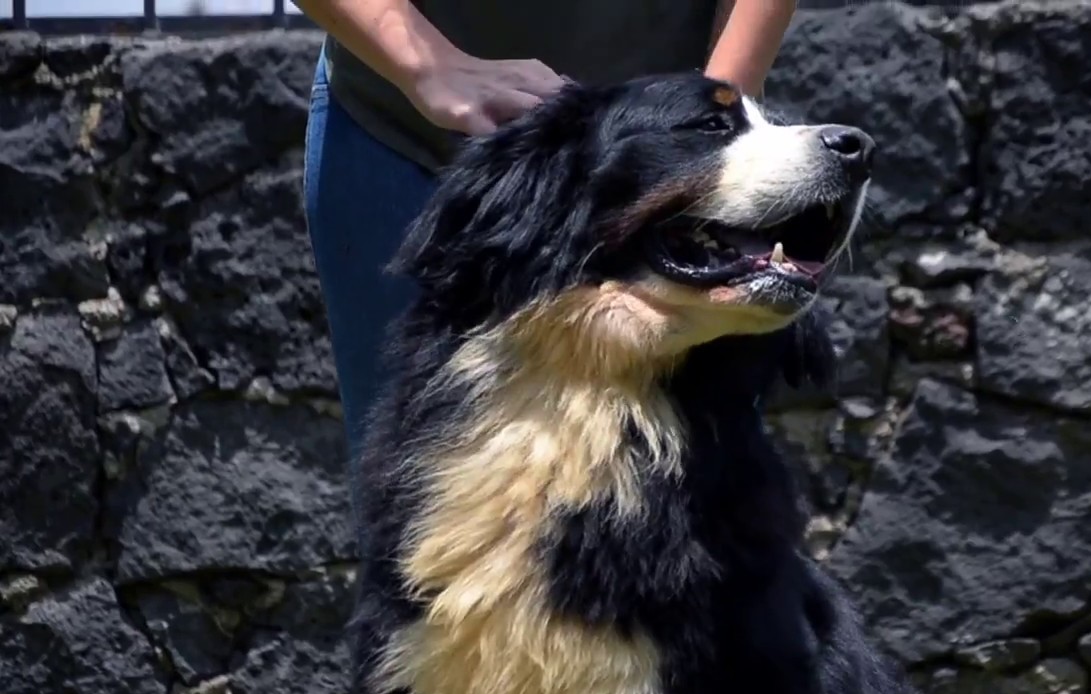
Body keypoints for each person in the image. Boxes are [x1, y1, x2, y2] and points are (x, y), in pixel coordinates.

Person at [293, 0, 800, 454]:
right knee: (412, 513)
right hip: (399, 127)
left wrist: (710, 121)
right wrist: (426, 64)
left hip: (677, 181)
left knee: (703, 509)